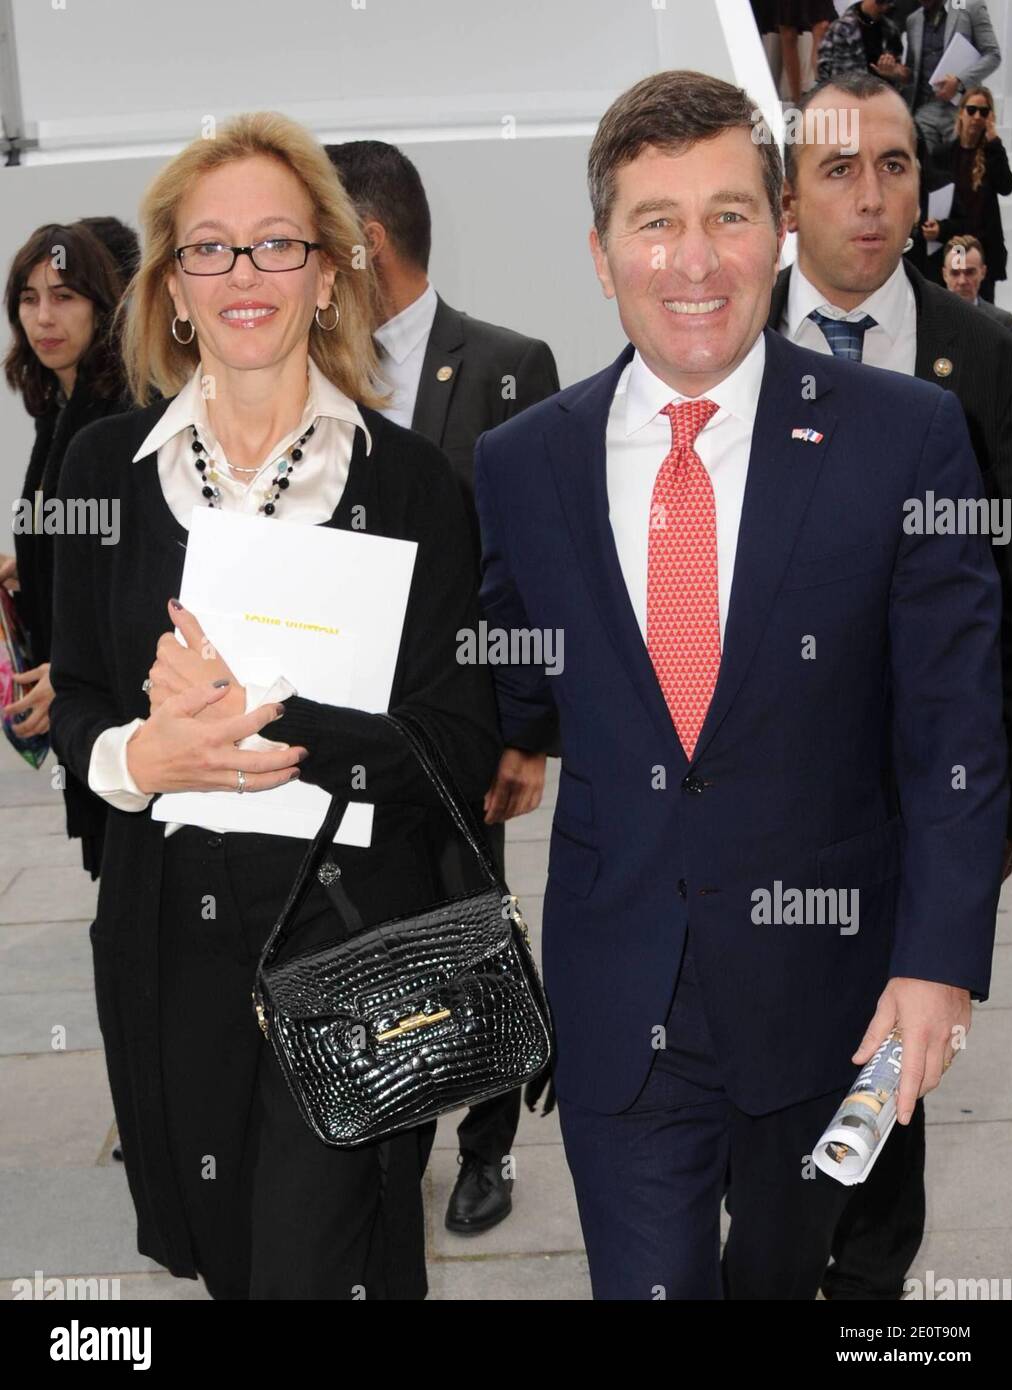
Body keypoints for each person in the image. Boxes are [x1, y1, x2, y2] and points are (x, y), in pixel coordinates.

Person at [474, 66, 1006, 1301]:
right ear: (601, 256)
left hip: (828, 1000)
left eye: (726, 215)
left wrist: (936, 964)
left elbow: (951, 729)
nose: (693, 258)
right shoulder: (522, 464)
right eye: (653, 223)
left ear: (776, 230)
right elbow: (507, 694)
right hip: (624, 1000)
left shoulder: (903, 438)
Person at [48, 111, 501, 1300]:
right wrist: (147, 754)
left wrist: (268, 729)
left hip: (349, 936)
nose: (242, 274)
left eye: (275, 245)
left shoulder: (413, 486)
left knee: (324, 1258)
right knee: (229, 1257)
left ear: (328, 271)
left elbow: (460, 747)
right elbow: (78, 700)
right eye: (209, 249)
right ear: (172, 287)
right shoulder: (102, 471)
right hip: (166, 939)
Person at [770, 70, 1012, 1299]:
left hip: (903, 830)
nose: (872, 200)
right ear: (784, 197)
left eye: (895, 168)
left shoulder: (984, 357)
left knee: (882, 1109)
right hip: (744, 813)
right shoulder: (716, 331)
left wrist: (986, 828)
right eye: (837, 169)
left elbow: (1009, 615)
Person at [325, 138, 560, 1236]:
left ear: (365, 243)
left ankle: (489, 1144)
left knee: (475, 926)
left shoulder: (510, 364)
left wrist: (527, 734)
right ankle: (392, 1127)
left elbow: (535, 565)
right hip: (345, 729)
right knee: (368, 931)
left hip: (464, 727)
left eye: (315, 241)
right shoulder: (308, 371)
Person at [1, 219, 135, 878]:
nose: (44, 317)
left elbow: (135, 573)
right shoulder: (59, 402)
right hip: (83, 699)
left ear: (101, 306)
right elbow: (76, 539)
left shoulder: (117, 415)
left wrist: (72, 670)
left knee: (128, 890)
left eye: (65, 296)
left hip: (118, 703)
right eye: (28, 298)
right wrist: (24, 567)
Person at [921, 86, 1012, 303]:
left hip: (981, 248)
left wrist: (994, 141)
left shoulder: (991, 152)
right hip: (951, 243)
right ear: (961, 112)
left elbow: (1006, 186)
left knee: (983, 313)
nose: (976, 117)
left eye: (983, 112)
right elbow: (932, 197)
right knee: (950, 308)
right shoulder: (943, 154)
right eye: (971, 110)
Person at [902, 0, 1000, 148]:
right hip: (923, 113)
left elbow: (993, 55)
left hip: (962, 109)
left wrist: (959, 81)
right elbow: (912, 71)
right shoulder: (913, 20)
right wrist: (897, 74)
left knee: (964, 166)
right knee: (924, 168)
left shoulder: (970, 6)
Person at [816, 0, 908, 86]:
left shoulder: (890, 30)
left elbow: (900, 72)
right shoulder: (840, 28)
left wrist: (893, 72)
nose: (883, 7)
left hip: (880, 95)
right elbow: (824, 68)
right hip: (845, 95)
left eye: (888, 2)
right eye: (880, 1)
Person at [941, 234, 1012, 328]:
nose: (962, 281)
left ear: (983, 272)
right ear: (945, 275)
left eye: (969, 272)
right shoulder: (926, 320)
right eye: (955, 273)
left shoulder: (1001, 322)